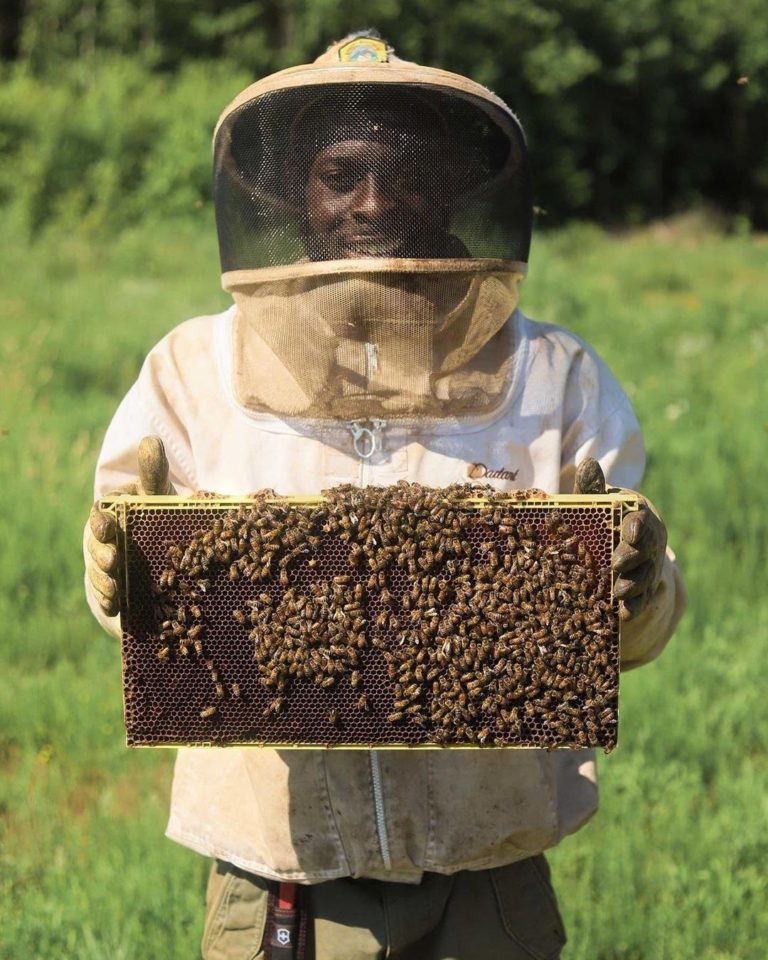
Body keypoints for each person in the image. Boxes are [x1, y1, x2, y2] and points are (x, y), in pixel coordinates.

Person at [84, 32, 686, 960]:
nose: (374, 201)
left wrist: (638, 581)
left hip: (489, 870)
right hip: (283, 868)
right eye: (341, 174)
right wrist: (116, 566)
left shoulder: (554, 376)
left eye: (404, 172)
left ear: (450, 186)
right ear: (294, 192)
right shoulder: (190, 370)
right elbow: (129, 606)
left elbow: (636, 634)